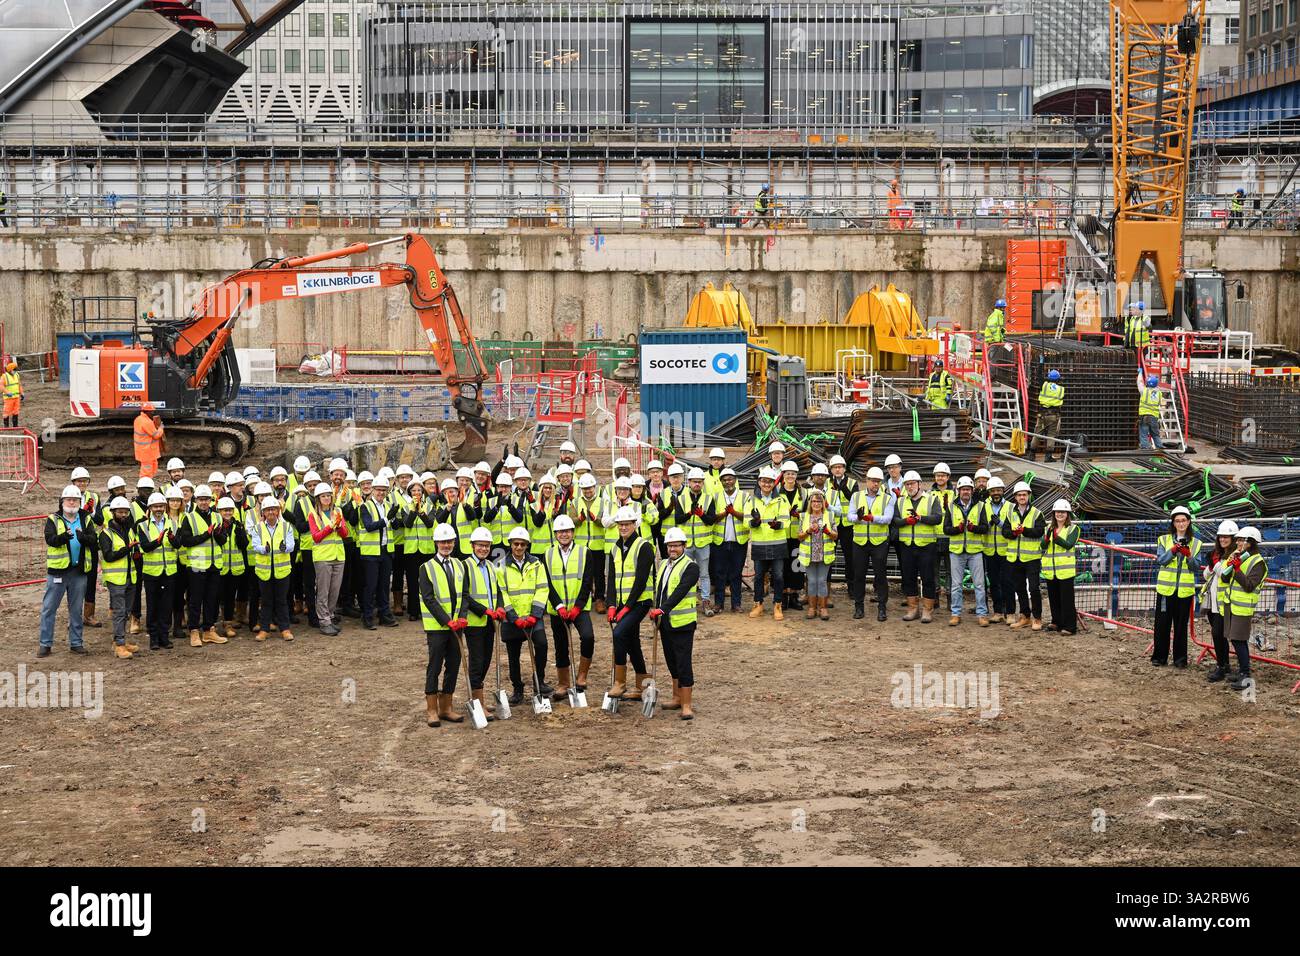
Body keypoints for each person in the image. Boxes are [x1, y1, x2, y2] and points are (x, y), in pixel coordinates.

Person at [419, 524, 468, 727]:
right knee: (435, 666)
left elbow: (464, 594)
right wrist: (447, 621)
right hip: (438, 627)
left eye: (449, 542)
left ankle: (446, 707)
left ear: (454, 543)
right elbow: (429, 599)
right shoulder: (426, 568)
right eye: (442, 542)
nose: (446, 545)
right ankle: (432, 709)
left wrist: (462, 617)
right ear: (436, 543)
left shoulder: (459, 565)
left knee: (454, 664)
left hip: (457, 625)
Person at [544, 515, 597, 701]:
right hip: (557, 609)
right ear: (555, 534)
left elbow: (587, 581)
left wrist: (577, 606)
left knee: (588, 637)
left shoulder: (585, 552)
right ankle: (563, 683)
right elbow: (547, 584)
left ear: (573, 532)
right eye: (560, 531)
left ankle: (582, 675)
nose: (564, 534)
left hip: (579, 607)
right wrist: (558, 605)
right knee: (560, 646)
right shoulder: (548, 554)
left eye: (567, 531)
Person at [39, 485, 96, 657]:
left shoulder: (86, 519)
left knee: (76, 610)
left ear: (80, 502)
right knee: (49, 608)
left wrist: (83, 538)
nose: (72, 502)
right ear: (62, 501)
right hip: (58, 572)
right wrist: (63, 538)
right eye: (69, 499)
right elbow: (50, 539)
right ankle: (45, 644)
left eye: (75, 499)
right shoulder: (53, 519)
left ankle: (76, 643)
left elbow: (93, 540)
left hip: (78, 572)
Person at [500, 526, 552, 706]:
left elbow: (542, 588)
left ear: (527, 545)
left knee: (542, 645)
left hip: (532, 618)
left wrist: (534, 615)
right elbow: (502, 593)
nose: (519, 547)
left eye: (523, 544)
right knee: (513, 655)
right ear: (510, 544)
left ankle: (539, 681)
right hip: (512, 619)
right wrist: (514, 617)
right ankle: (518, 688)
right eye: (516, 544)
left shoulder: (537, 564)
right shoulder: (501, 566)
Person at [606, 505, 654, 699]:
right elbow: (611, 579)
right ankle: (642, 686)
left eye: (627, 524)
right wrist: (611, 605)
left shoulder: (644, 546)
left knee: (619, 634)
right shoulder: (615, 548)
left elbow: (641, 580)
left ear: (635, 524)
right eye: (620, 524)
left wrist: (627, 607)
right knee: (632, 642)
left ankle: (620, 683)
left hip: (640, 602)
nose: (623, 527)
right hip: (621, 603)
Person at [651, 527, 699, 719]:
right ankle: (676, 697)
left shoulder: (691, 567)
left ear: (684, 546)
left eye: (677, 545)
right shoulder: (663, 564)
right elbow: (660, 591)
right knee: (671, 659)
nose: (673, 549)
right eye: (670, 545)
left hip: (683, 622)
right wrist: (655, 610)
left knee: (683, 662)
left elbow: (680, 591)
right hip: (665, 622)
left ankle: (687, 704)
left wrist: (663, 608)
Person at [462, 527, 506, 720]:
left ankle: (479, 698)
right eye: (480, 545)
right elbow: (464, 596)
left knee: (486, 660)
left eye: (487, 546)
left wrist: (500, 607)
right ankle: (477, 703)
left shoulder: (490, 566)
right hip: (474, 622)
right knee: (477, 662)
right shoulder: (465, 566)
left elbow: (496, 591)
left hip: (490, 621)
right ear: (472, 545)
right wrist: (483, 610)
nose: (483, 549)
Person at [1151, 505, 1202, 668]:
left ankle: (1180, 660)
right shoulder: (1163, 540)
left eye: (1183, 520)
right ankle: (1159, 657)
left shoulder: (1196, 543)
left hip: (1184, 592)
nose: (1181, 524)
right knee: (1162, 625)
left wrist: (1189, 556)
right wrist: (1173, 550)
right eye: (1177, 521)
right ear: (1173, 523)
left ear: (1188, 522)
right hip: (1166, 591)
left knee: (1181, 627)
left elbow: (1196, 567)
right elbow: (1161, 560)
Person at [177, 484, 226, 647]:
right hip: (197, 566)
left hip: (214, 564)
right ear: (196, 500)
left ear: (211, 501)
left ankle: (209, 630)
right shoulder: (189, 518)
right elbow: (186, 541)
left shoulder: (217, 517)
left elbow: (223, 540)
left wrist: (218, 534)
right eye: (201, 499)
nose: (204, 502)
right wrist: (206, 534)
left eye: (207, 499)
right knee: (195, 600)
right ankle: (194, 631)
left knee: (212, 599)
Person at [1219, 526, 1266, 691]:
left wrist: (1237, 569)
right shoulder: (1238, 556)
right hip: (1231, 604)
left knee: (1239, 641)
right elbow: (1224, 577)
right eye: (1237, 539)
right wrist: (1231, 565)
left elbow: (1249, 586)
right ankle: (1241, 671)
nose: (1238, 542)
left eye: (1242, 540)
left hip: (1243, 608)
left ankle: (1245, 674)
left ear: (1251, 542)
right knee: (1235, 640)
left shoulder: (1257, 562)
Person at [894, 470, 941, 623]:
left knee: (928, 578)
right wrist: (907, 521)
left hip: (926, 545)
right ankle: (912, 608)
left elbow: (937, 518)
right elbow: (895, 520)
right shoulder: (900, 501)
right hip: (907, 545)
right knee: (908, 577)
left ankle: (927, 610)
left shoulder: (931, 499)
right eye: (907, 484)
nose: (909, 486)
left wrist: (920, 518)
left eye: (912, 483)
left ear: (919, 484)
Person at [848, 466, 893, 622]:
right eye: (873, 481)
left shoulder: (887, 498)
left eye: (878, 482)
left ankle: (882, 607)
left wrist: (872, 518)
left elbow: (888, 518)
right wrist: (859, 518)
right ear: (866, 481)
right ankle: (858, 607)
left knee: (880, 576)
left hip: (879, 542)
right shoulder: (856, 496)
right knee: (859, 575)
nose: (875, 484)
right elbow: (849, 516)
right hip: (860, 542)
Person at [136, 490, 179, 650]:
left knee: (167, 606)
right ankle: (154, 638)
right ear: (150, 508)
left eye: (161, 506)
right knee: (153, 605)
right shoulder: (142, 526)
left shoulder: (173, 524)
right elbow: (145, 547)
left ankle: (164, 637)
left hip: (169, 571)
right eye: (155, 506)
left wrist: (174, 541)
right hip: (151, 573)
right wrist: (157, 541)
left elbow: (178, 545)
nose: (159, 509)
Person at [944, 476, 989, 626]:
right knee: (956, 585)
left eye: (968, 490)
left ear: (972, 491)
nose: (965, 492)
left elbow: (985, 528)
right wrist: (958, 529)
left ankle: (982, 614)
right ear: (958, 491)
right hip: (956, 551)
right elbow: (946, 529)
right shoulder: (951, 506)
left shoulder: (980, 506)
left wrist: (972, 528)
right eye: (963, 489)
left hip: (975, 551)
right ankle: (956, 613)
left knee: (979, 584)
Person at [99, 496, 140, 659]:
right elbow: (108, 556)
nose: (123, 515)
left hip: (130, 577)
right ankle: (120, 644)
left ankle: (120, 641)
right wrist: (127, 549)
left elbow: (130, 552)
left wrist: (135, 552)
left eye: (125, 512)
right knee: (119, 612)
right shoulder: (105, 534)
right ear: (113, 513)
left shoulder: (129, 531)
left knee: (126, 612)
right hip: (116, 579)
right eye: (120, 512)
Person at [1001, 481, 1045, 630]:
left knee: (1033, 588)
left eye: (1024, 495)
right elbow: (1005, 532)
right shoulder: (1009, 513)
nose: (1022, 497)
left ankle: (1037, 618)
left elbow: (1039, 531)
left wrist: (1024, 530)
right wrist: (1014, 533)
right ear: (1015, 497)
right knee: (1019, 588)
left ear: (1029, 496)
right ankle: (1025, 616)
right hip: (1015, 558)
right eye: (1019, 495)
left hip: (1032, 557)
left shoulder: (1037, 513)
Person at [250, 496, 295, 641]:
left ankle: (285, 629)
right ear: (263, 512)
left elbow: (291, 544)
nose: (271, 512)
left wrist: (285, 548)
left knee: (282, 600)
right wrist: (264, 549)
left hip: (282, 571)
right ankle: (264, 629)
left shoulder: (286, 526)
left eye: (273, 509)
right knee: (266, 601)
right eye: (268, 510)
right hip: (264, 571)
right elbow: (255, 545)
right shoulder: (257, 528)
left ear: (278, 511)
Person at [1202, 520, 1241, 684]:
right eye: (1221, 537)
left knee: (1220, 634)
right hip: (1213, 603)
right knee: (1218, 635)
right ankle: (1223, 665)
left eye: (1227, 537)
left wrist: (1216, 563)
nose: (1223, 540)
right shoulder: (1218, 554)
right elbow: (1206, 575)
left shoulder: (1235, 555)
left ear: (1233, 538)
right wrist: (1211, 565)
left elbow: (1225, 574)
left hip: (1225, 603)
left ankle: (1225, 666)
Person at [748, 467, 790, 620]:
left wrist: (778, 525)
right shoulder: (751, 500)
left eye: (770, 481)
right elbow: (747, 521)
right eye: (764, 481)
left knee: (778, 576)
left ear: (774, 483)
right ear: (759, 482)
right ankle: (758, 604)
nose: (766, 484)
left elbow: (787, 520)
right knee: (759, 576)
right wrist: (755, 522)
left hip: (778, 544)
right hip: (760, 544)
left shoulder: (782, 500)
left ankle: (777, 605)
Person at [676, 467, 719, 615]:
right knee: (685, 574)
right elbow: (678, 519)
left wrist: (701, 514)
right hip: (686, 543)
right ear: (689, 482)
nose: (697, 484)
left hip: (703, 543)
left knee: (704, 574)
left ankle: (705, 602)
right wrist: (689, 513)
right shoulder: (681, 499)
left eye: (700, 482)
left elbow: (711, 521)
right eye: (694, 482)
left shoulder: (708, 498)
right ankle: (687, 600)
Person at [359, 473, 398, 630]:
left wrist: (394, 519)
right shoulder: (365, 506)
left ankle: (384, 615)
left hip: (386, 551)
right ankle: (367, 617)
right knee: (370, 585)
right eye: (378, 490)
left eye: (384, 490)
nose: (381, 493)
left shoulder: (388, 506)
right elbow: (369, 526)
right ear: (373, 490)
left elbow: (394, 527)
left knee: (383, 585)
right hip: (371, 552)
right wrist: (386, 520)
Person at [711, 468, 749, 614]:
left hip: (739, 541)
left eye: (730, 479)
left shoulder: (744, 496)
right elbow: (712, 518)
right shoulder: (715, 497)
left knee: (736, 573)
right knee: (719, 573)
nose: (728, 482)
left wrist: (734, 513)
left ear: (735, 480)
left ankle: (736, 604)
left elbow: (748, 517)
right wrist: (724, 513)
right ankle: (719, 603)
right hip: (720, 541)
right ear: (721, 482)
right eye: (725, 479)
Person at [797, 487, 838, 621]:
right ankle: (811, 608)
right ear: (810, 502)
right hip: (809, 555)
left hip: (824, 554)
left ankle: (823, 608)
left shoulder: (830, 515)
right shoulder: (803, 516)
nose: (816, 504)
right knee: (812, 581)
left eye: (819, 501)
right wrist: (808, 531)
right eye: (814, 501)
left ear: (823, 503)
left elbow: (835, 536)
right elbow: (799, 536)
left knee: (821, 581)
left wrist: (827, 531)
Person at [568, 472, 607, 613]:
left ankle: (599, 599)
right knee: (584, 574)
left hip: (598, 545)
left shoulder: (603, 502)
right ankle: (585, 599)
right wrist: (580, 519)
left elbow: (605, 522)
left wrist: (596, 519)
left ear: (594, 487)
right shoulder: (575, 502)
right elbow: (570, 521)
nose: (588, 491)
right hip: (581, 546)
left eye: (590, 488)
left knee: (599, 574)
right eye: (585, 489)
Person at [1040, 499, 1080, 635]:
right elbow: (1042, 546)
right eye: (1057, 512)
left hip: (1065, 570)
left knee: (1067, 600)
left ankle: (1069, 626)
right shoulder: (1048, 528)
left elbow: (1069, 544)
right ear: (1054, 513)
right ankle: (1056, 621)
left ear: (1067, 514)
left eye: (1063, 512)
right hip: (1051, 570)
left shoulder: (1073, 529)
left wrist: (1056, 538)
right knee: (1054, 598)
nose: (1060, 514)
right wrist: (1045, 540)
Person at [216, 495, 249, 639]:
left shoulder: (238, 525)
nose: (228, 513)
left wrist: (240, 535)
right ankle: (216, 623)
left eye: (230, 510)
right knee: (217, 597)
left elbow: (244, 546)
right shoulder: (216, 525)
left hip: (235, 568)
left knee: (230, 597)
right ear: (219, 511)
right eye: (224, 510)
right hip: (220, 566)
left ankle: (228, 623)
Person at [980, 477, 1011, 622]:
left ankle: (1009, 612)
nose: (996, 493)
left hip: (1005, 551)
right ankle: (998, 612)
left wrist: (1000, 523)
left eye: (998, 490)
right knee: (994, 583)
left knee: (1007, 582)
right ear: (989, 492)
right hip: (989, 551)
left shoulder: (1011, 507)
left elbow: (1012, 528)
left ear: (1003, 491)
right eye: (993, 491)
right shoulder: (982, 506)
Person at [777, 461, 805, 612]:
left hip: (797, 537)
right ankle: (783, 597)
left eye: (793, 474)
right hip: (780, 535)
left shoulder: (803, 493)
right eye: (787, 473)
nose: (790, 476)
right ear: (783, 475)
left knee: (796, 567)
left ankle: (794, 596)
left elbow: (809, 513)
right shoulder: (777, 492)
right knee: (782, 567)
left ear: (796, 475)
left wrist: (798, 514)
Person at [164, 486, 188, 642]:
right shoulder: (161, 518)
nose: (174, 503)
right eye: (172, 500)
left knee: (179, 595)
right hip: (167, 561)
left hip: (183, 562)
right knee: (167, 595)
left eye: (177, 500)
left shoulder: (186, 517)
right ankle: (166, 626)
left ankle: (178, 626)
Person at [1030, 370, 1065, 462]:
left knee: (1037, 434)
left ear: (1049, 378)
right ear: (1058, 379)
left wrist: (1041, 364)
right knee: (1051, 435)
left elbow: (1039, 375)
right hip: (1054, 415)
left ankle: (1031, 455)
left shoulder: (1044, 385)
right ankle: (1048, 456)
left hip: (1042, 414)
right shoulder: (1061, 389)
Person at [132, 404, 164, 478]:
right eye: (152, 412)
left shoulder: (138, 419)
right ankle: (145, 484)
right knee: (146, 471)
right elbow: (156, 435)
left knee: (152, 466)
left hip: (144, 449)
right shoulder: (147, 422)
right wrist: (161, 428)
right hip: (147, 451)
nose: (153, 413)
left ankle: (149, 481)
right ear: (147, 412)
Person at [1137, 371, 1164, 450]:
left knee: (1144, 435)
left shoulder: (1144, 391)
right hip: (1154, 417)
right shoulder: (1159, 393)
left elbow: (1139, 382)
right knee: (1155, 435)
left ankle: (1146, 450)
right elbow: (1160, 403)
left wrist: (1140, 373)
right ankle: (1160, 449)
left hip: (1144, 417)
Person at [2, 360, 22, 428]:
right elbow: (1, 386)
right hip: (8, 398)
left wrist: (22, 393)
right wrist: (7, 393)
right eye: (14, 369)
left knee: (16, 411)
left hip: (16, 397)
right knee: (6, 412)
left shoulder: (17, 375)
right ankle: (6, 426)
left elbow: (19, 385)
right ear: (10, 370)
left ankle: (15, 426)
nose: (15, 371)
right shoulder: (4, 376)